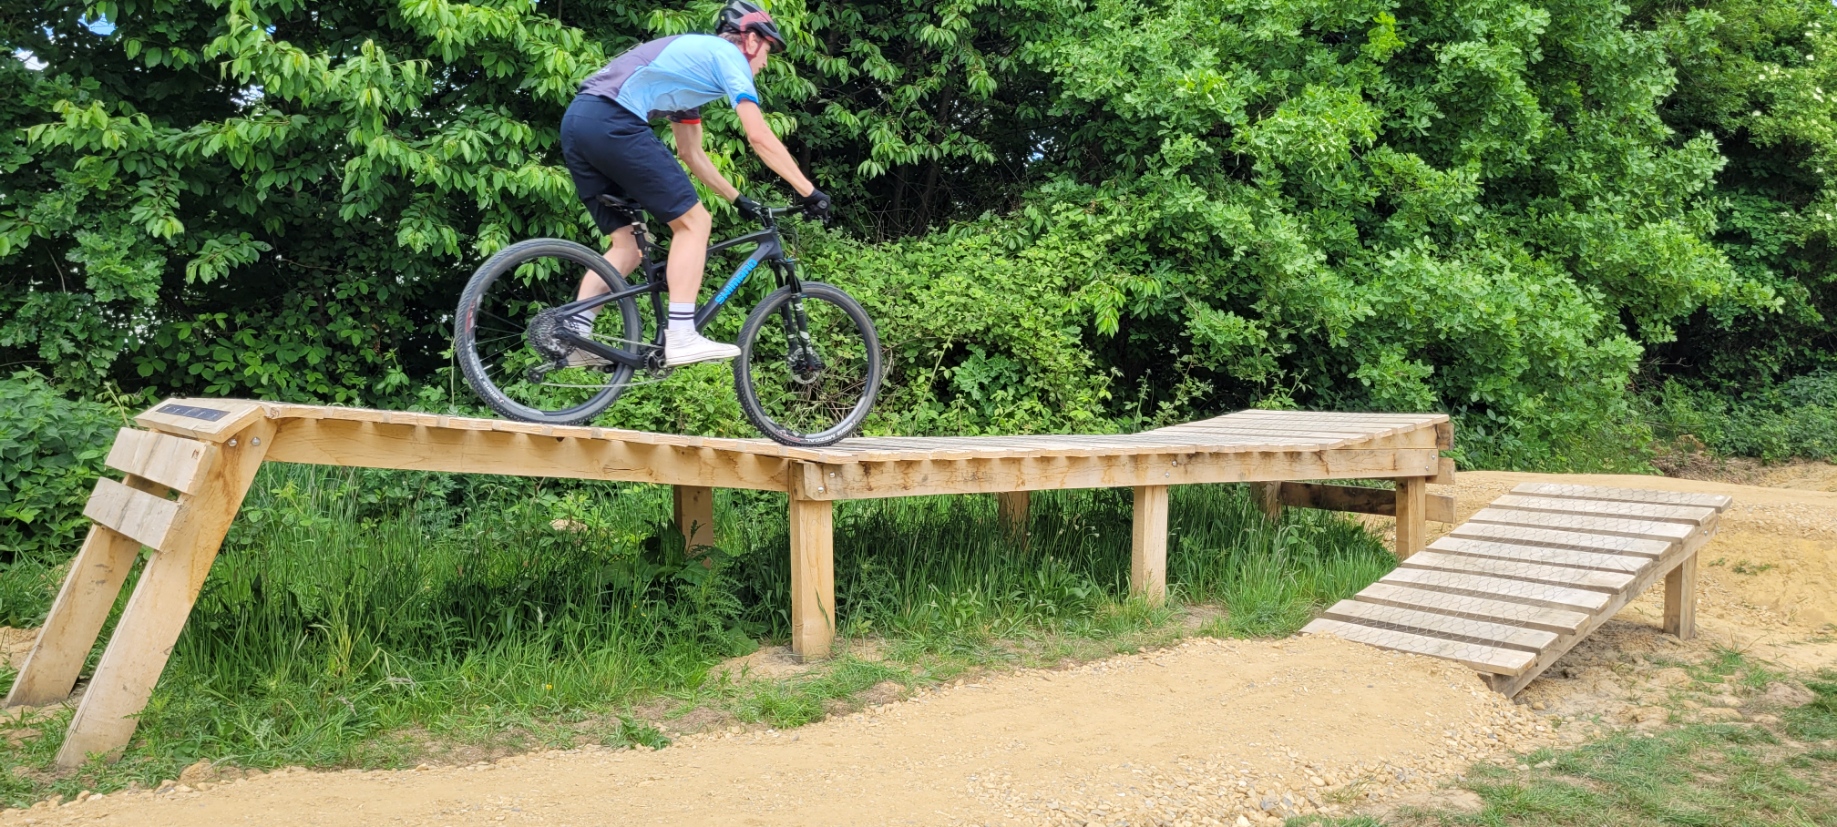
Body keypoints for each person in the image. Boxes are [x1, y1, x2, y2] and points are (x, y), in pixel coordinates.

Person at [559, 1, 831, 367]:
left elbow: (691, 152)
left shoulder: (691, 71)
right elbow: (759, 135)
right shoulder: (727, 56)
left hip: (578, 122)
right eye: (768, 50)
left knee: (628, 245)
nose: (766, 63)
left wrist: (738, 199)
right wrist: (808, 191)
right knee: (695, 223)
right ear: (751, 40)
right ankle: (682, 335)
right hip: (614, 119)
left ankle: (576, 333)